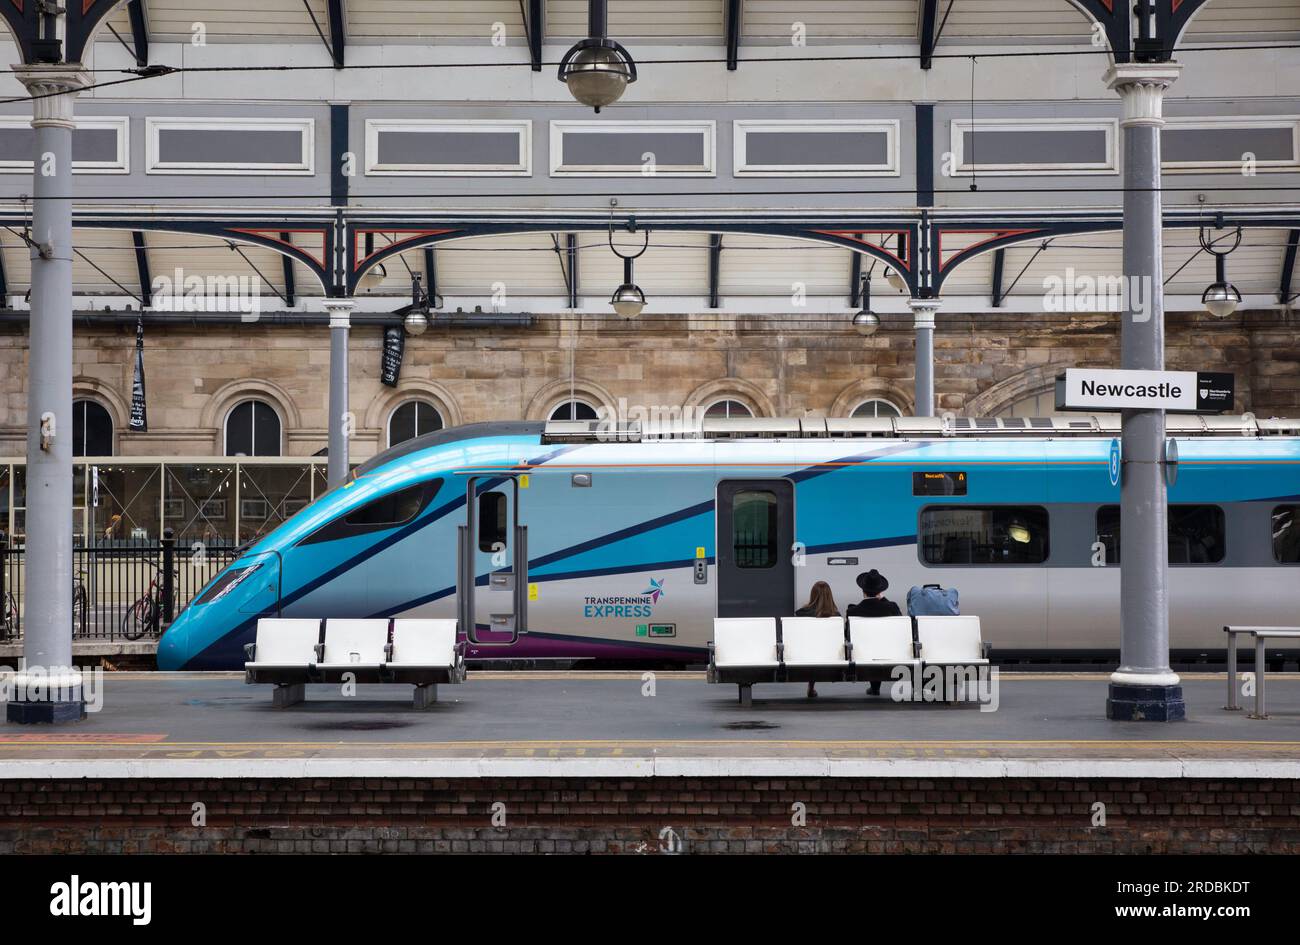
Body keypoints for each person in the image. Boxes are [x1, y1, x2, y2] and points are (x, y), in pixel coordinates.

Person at [846, 570, 901, 694]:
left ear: (863, 591)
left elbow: (847, 634)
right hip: (889, 650)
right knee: (880, 645)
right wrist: (883, 599)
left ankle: (875, 688)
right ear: (880, 592)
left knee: (872, 647)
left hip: (863, 652)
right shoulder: (891, 607)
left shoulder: (852, 610)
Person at [794, 581, 839, 699]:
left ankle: (811, 686)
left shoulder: (801, 614)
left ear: (812, 595)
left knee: (812, 650)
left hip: (806, 652)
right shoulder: (836, 616)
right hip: (831, 654)